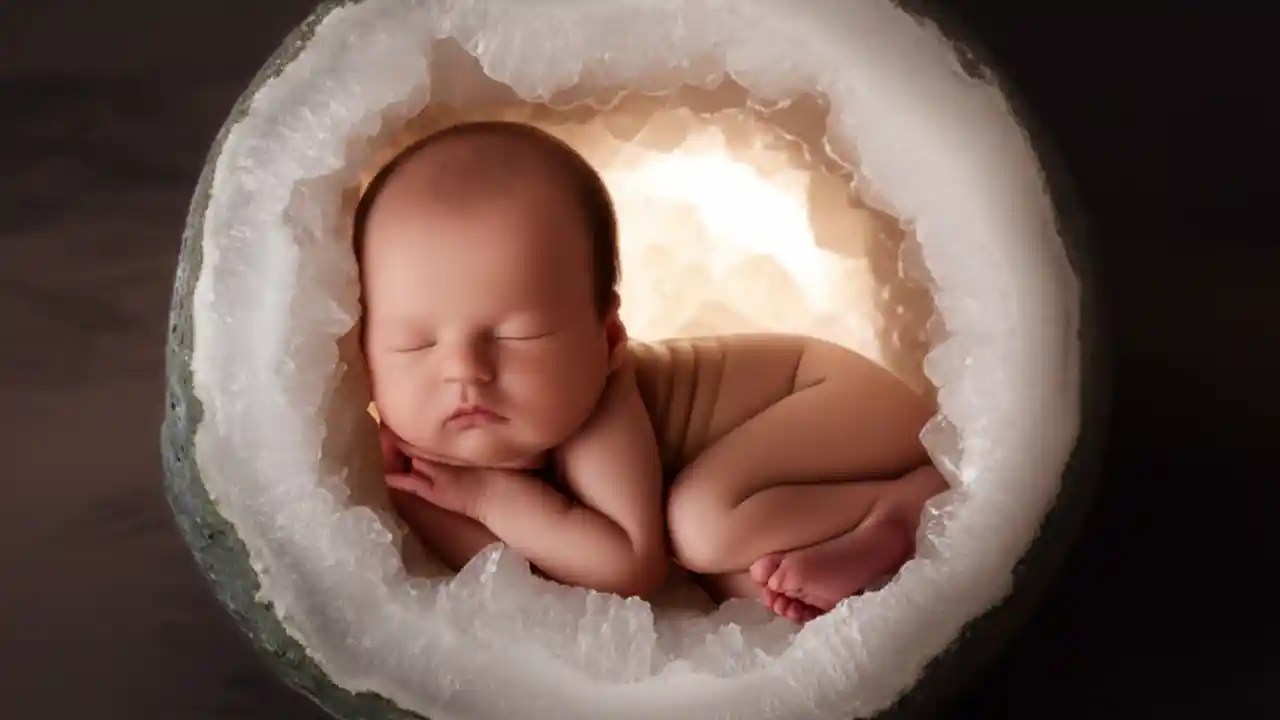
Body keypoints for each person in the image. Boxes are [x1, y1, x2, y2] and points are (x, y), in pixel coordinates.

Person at [355, 121, 948, 623]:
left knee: (702, 526)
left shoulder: (599, 403)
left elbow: (628, 565)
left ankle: (906, 505)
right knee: (751, 596)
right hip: (775, 472)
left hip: (835, 399)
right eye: (413, 345)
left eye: (518, 336)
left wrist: (483, 495)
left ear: (608, 339)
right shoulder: (437, 441)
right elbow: (510, 571)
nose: (465, 369)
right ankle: (865, 545)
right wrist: (420, 502)